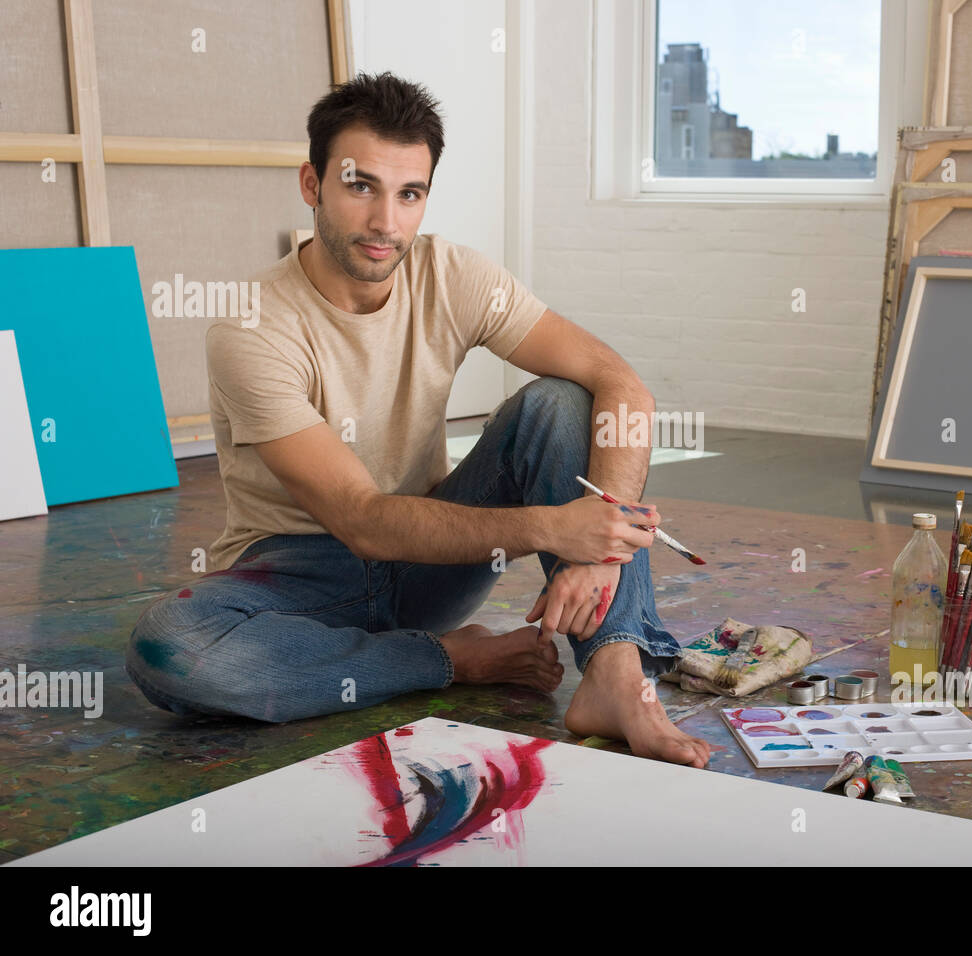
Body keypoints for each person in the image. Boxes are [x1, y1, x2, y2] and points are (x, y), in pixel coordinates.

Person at [125, 72, 710, 768]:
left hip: (429, 563)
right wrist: (553, 528)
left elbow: (621, 385)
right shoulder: (252, 327)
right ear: (312, 185)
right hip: (299, 579)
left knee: (561, 403)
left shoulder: (453, 275)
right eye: (360, 186)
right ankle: (445, 660)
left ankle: (615, 675)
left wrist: (604, 539)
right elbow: (361, 519)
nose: (386, 223)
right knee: (170, 646)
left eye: (410, 194)